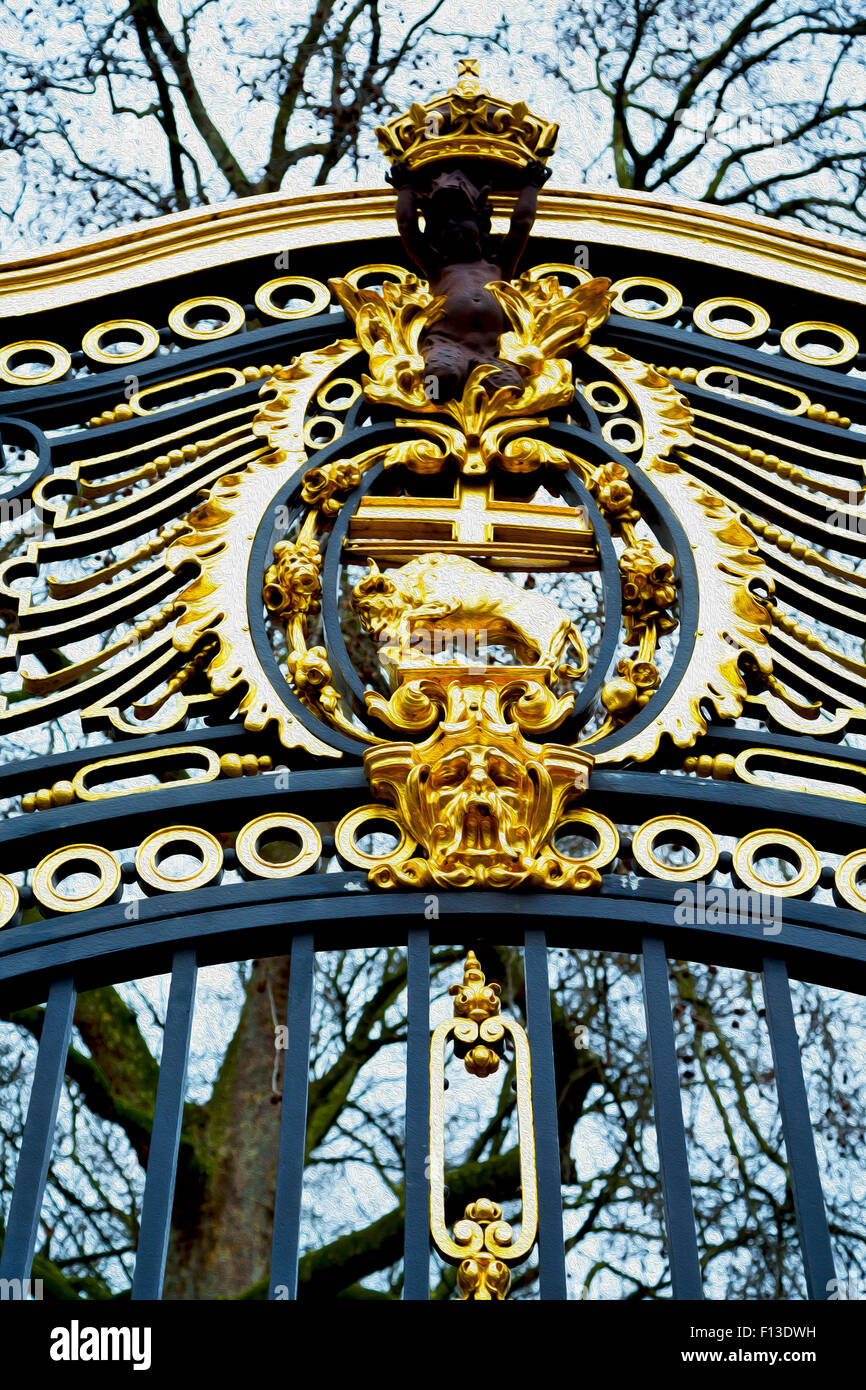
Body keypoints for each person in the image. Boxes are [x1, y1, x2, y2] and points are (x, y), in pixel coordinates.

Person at [388, 160, 551, 400]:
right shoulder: (438, 267)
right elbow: (408, 228)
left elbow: (521, 225)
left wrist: (532, 186)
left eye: (459, 218)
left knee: (510, 391)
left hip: (490, 353)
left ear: (481, 223)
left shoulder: (500, 265)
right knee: (441, 378)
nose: (451, 227)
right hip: (446, 345)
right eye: (441, 225)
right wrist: (404, 188)